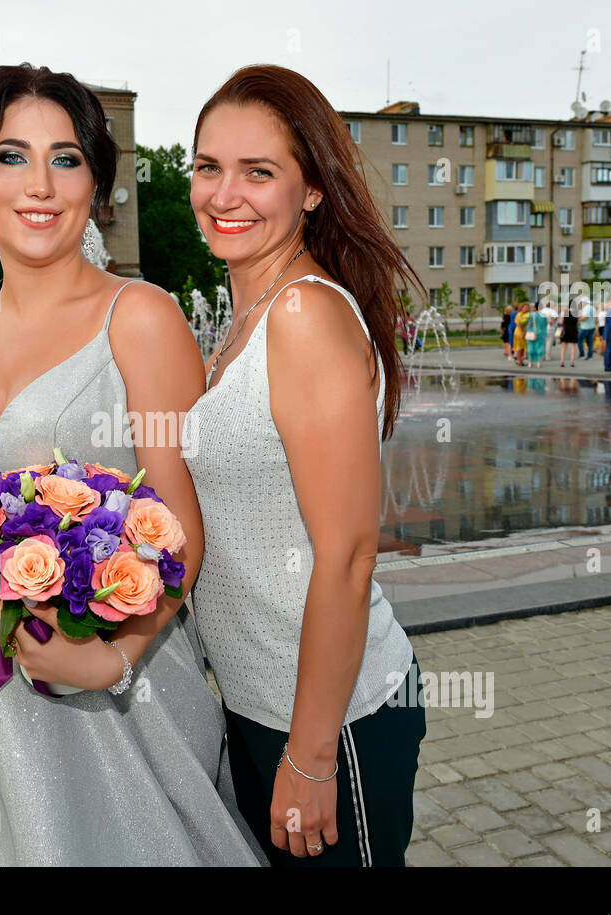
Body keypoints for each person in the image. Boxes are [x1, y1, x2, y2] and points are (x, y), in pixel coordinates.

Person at [0, 64, 262, 866]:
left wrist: (112, 656)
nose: (39, 183)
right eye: (11, 156)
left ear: (97, 186)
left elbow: (179, 527)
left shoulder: (141, 319)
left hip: (100, 679)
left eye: (67, 158)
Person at [182, 64, 425, 867]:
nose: (226, 195)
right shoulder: (245, 319)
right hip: (259, 702)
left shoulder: (304, 316)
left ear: (312, 190)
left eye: (259, 172)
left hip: (333, 718)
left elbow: (350, 556)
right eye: (209, 168)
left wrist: (312, 754)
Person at [559, 294, 579, 366]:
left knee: (564, 346)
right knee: (573, 347)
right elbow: (577, 321)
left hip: (566, 330)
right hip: (573, 330)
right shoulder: (576, 312)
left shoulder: (564, 311)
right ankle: (572, 362)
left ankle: (562, 362)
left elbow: (561, 322)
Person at [526, 301, 547, 368]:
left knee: (530, 347)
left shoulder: (531, 315)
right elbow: (545, 325)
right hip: (541, 333)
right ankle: (539, 363)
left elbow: (528, 325)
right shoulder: (543, 316)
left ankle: (530, 362)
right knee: (540, 347)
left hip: (531, 333)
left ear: (535, 307)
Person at [578, 295, 596, 360]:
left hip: (585, 327)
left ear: (585, 302)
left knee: (579, 340)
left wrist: (578, 320)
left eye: (582, 302)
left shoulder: (586, 308)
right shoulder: (592, 307)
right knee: (590, 342)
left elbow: (585, 317)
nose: (581, 303)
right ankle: (590, 356)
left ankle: (582, 354)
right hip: (592, 326)